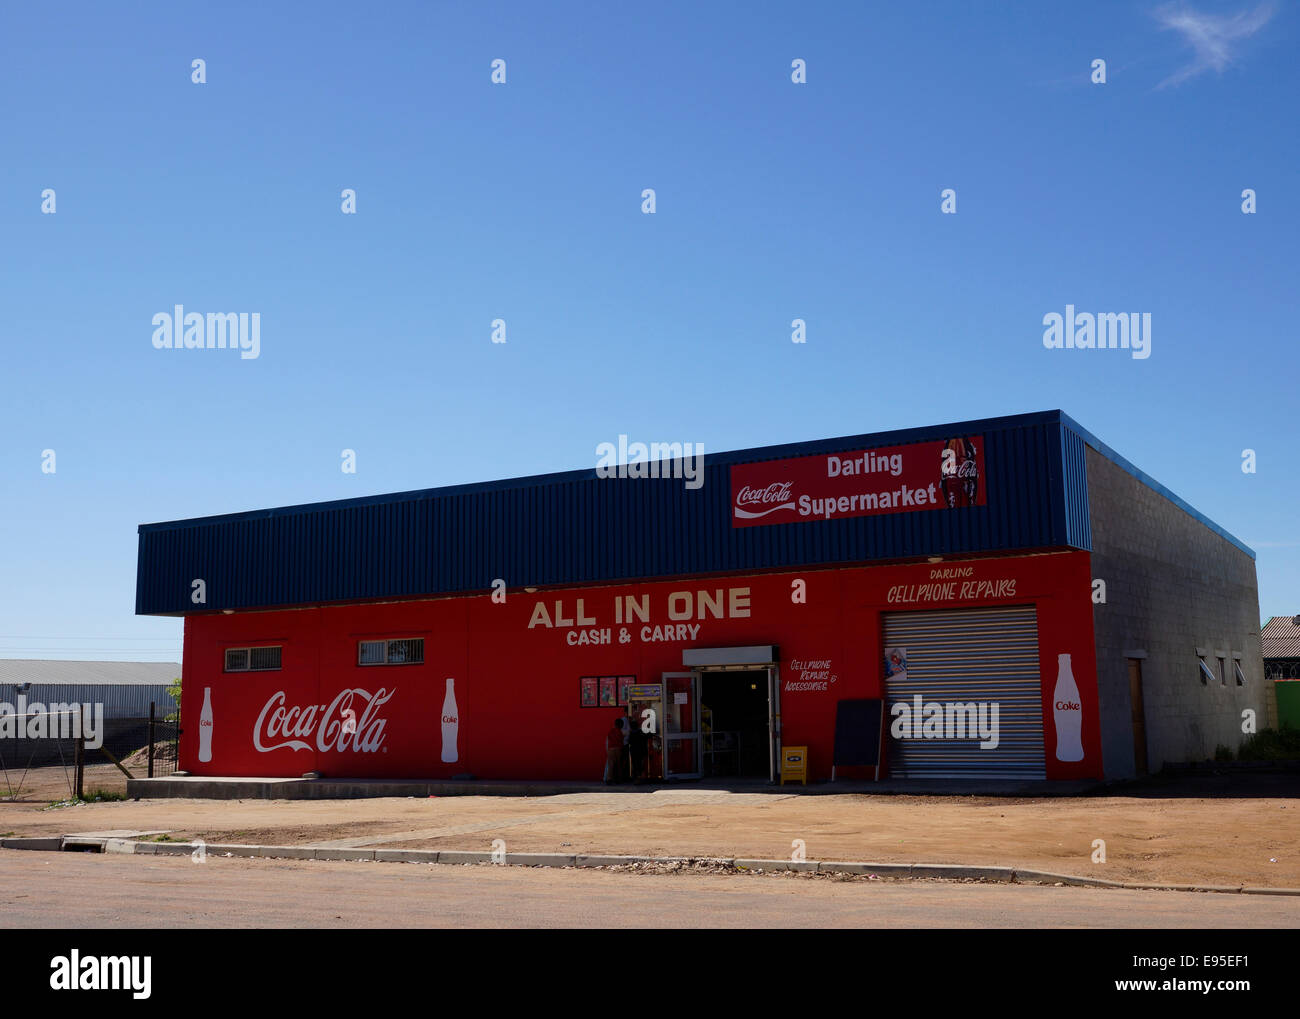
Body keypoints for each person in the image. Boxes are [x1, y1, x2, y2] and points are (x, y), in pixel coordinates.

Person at [628, 711, 648, 783]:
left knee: (635, 765)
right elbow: (646, 738)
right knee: (640, 765)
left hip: (633, 751)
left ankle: (636, 779)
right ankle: (641, 778)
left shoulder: (631, 734)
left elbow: (629, 742)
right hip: (641, 751)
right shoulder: (640, 733)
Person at [603, 720, 624, 784]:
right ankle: (618, 779)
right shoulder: (620, 732)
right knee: (618, 764)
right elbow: (621, 740)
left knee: (611, 764)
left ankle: (609, 778)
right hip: (618, 748)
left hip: (611, 748)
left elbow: (608, 739)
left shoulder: (611, 731)